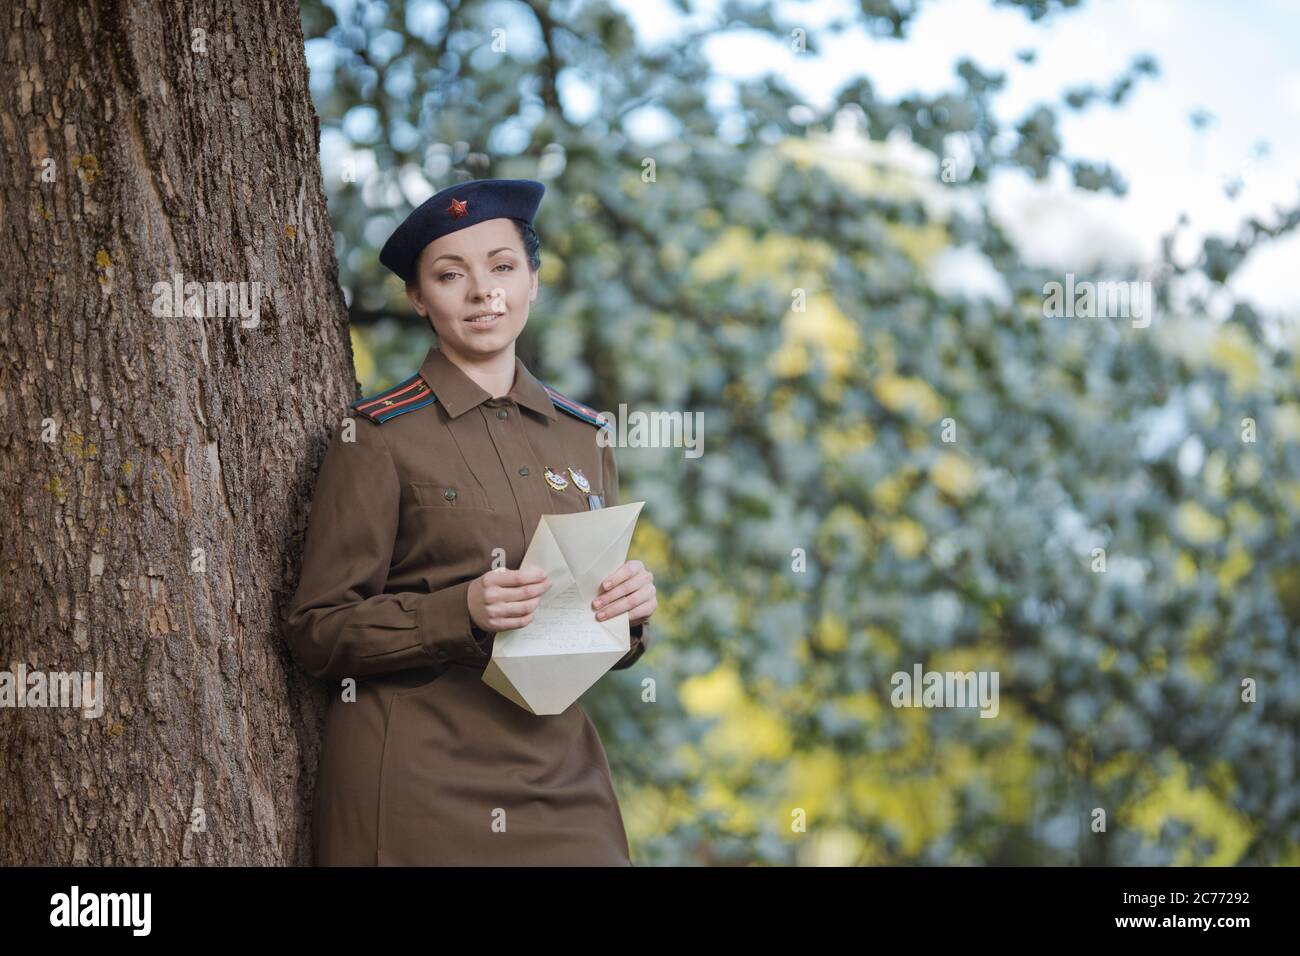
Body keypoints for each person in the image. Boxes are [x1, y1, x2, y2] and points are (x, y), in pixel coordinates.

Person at [284, 178, 657, 866]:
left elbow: (586, 627)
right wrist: (459, 612)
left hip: (559, 772)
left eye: (503, 267)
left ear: (534, 281)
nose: (484, 292)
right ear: (419, 299)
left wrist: (627, 616)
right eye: (451, 275)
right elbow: (317, 631)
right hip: (416, 776)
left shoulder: (586, 436)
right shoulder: (376, 437)